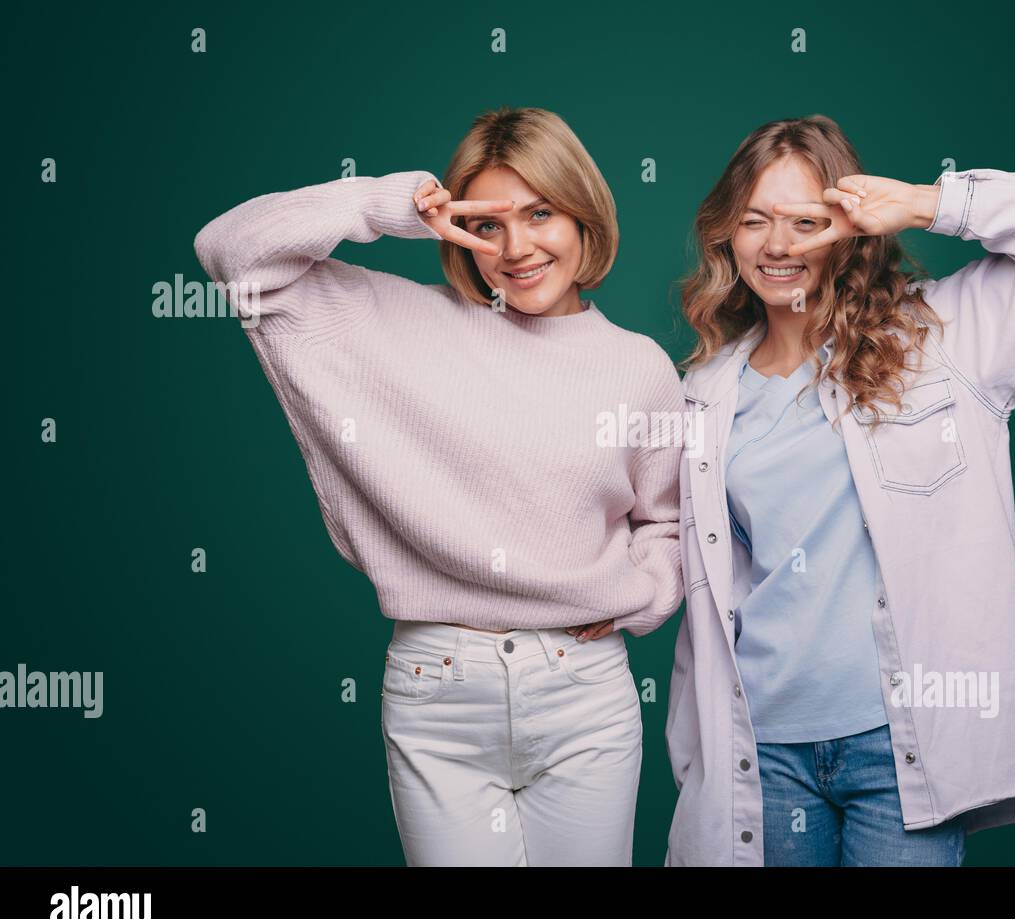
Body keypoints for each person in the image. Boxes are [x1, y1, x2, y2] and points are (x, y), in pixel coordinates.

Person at [193, 107, 686, 866]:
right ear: (454, 229)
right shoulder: (396, 321)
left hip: (583, 692)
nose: (517, 248)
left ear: (585, 215)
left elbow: (667, 523)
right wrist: (386, 206)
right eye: (487, 225)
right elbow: (231, 250)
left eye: (541, 214)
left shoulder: (642, 367)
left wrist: (647, 594)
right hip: (437, 689)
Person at [665, 115, 1015, 866]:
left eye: (806, 221)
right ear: (725, 235)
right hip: (766, 755)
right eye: (754, 222)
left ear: (850, 229)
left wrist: (924, 202)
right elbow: (714, 599)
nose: (778, 246)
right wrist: (699, 764)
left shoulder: (944, 338)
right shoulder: (705, 395)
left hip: (901, 749)